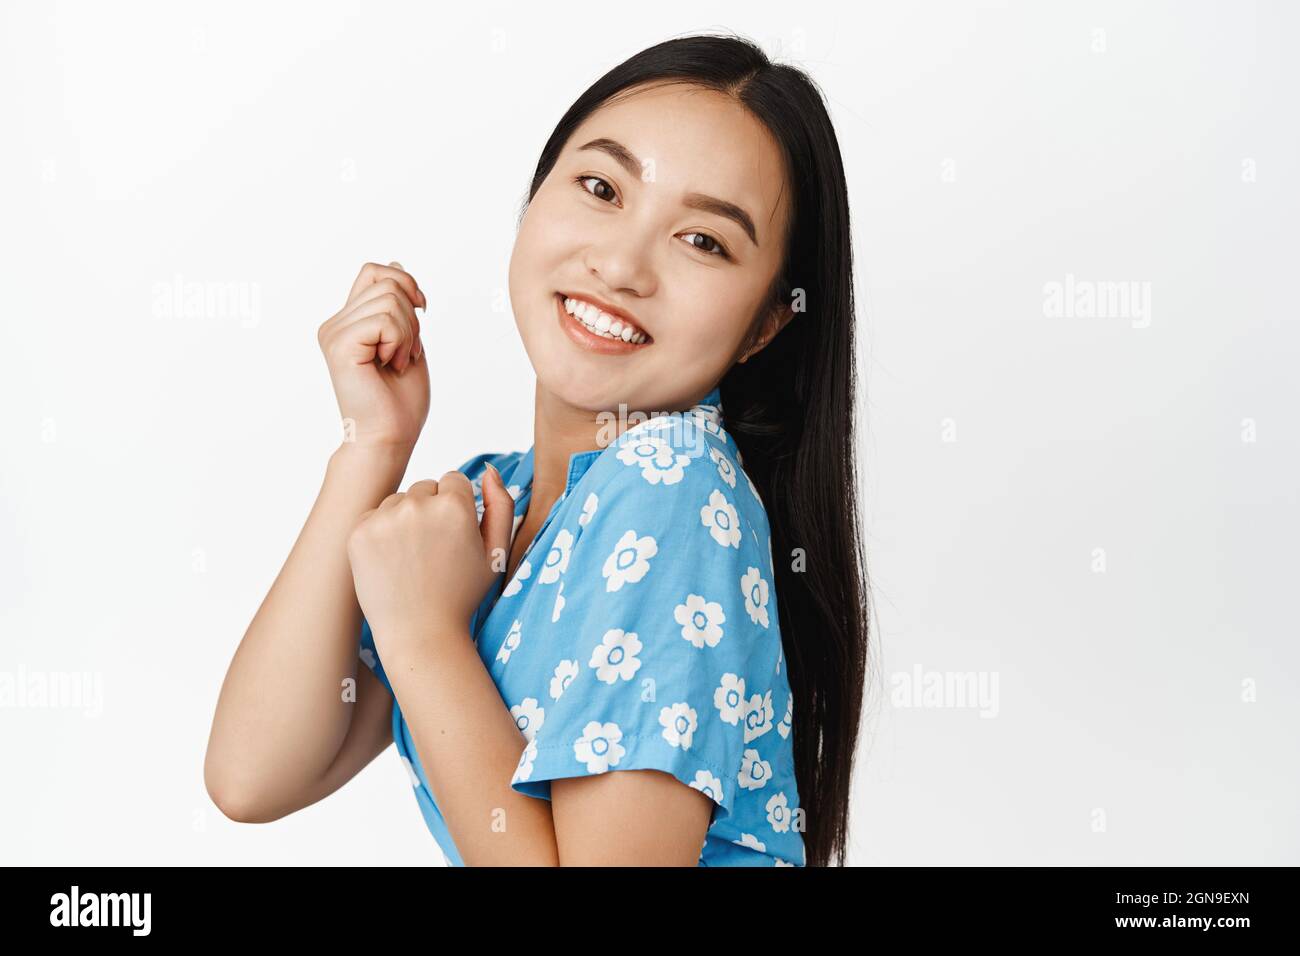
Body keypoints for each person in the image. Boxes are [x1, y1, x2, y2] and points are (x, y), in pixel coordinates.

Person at [205, 31, 869, 867]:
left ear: (766, 324)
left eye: (703, 241)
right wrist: (372, 446)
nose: (621, 264)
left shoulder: (674, 491)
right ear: (534, 197)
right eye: (601, 187)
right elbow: (251, 775)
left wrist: (425, 637)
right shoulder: (500, 506)